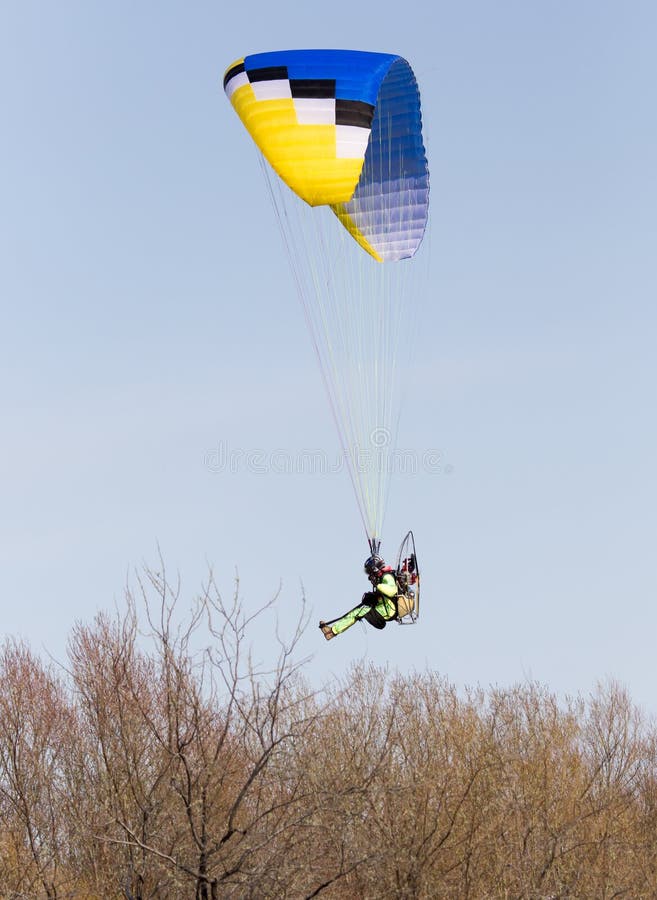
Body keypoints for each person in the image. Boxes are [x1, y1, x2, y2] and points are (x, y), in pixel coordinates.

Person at [319, 555, 405, 640]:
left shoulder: (387, 576)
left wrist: (378, 585)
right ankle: (331, 631)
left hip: (389, 610)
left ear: (374, 569)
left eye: (369, 571)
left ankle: (332, 632)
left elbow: (392, 591)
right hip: (385, 607)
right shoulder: (383, 576)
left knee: (358, 612)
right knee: (356, 612)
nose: (369, 574)